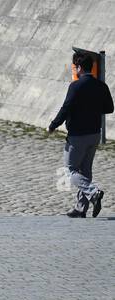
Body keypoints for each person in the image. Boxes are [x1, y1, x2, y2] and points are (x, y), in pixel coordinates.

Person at [48, 50, 113, 217]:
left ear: (79, 68)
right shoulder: (101, 85)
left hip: (78, 135)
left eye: (75, 67)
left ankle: (94, 193)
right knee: (85, 171)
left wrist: (54, 125)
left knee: (70, 170)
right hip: (94, 134)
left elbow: (66, 107)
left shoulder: (75, 86)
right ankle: (80, 208)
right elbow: (109, 108)